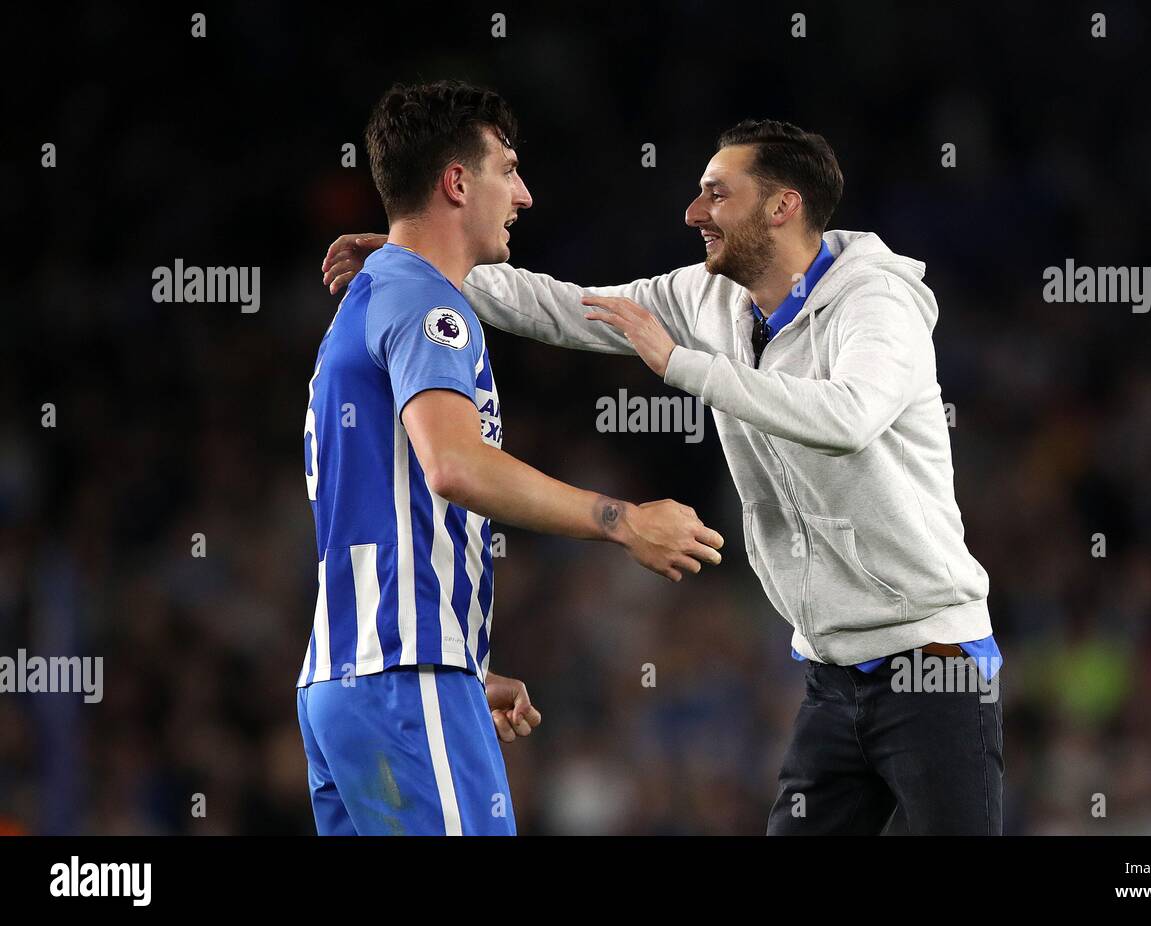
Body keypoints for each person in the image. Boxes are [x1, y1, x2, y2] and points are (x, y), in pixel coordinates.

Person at [323, 118, 1002, 835]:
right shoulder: (707, 299)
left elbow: (849, 418)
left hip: (933, 664)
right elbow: (562, 305)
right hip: (831, 674)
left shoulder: (876, 302)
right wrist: (425, 261)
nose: (694, 212)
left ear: (783, 206)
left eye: (716, 194)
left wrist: (681, 366)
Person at [299, 80, 724, 836]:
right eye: (509, 170)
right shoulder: (425, 306)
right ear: (457, 183)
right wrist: (622, 520)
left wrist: (463, 665)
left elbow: (382, 501)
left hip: (350, 681)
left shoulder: (368, 301)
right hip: (405, 677)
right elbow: (454, 465)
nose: (523, 195)